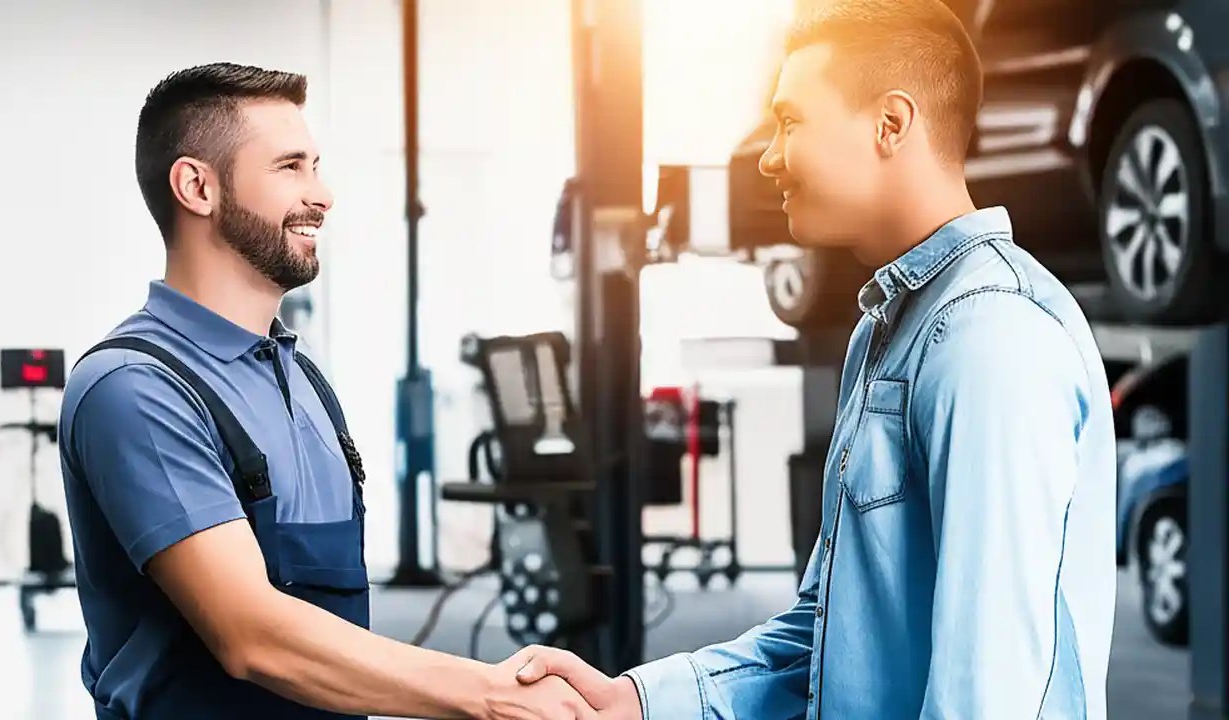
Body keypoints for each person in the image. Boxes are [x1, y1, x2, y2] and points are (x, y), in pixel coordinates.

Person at [512, 0, 1117, 717]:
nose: (768, 156)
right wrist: (641, 701)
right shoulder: (888, 330)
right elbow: (822, 636)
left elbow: (989, 692)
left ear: (890, 125)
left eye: (790, 121)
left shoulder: (987, 334)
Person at [58, 62, 596, 720]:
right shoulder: (135, 388)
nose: (323, 194)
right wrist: (485, 693)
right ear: (197, 186)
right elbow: (251, 636)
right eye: (291, 168)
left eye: (316, 165)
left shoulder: (301, 373)